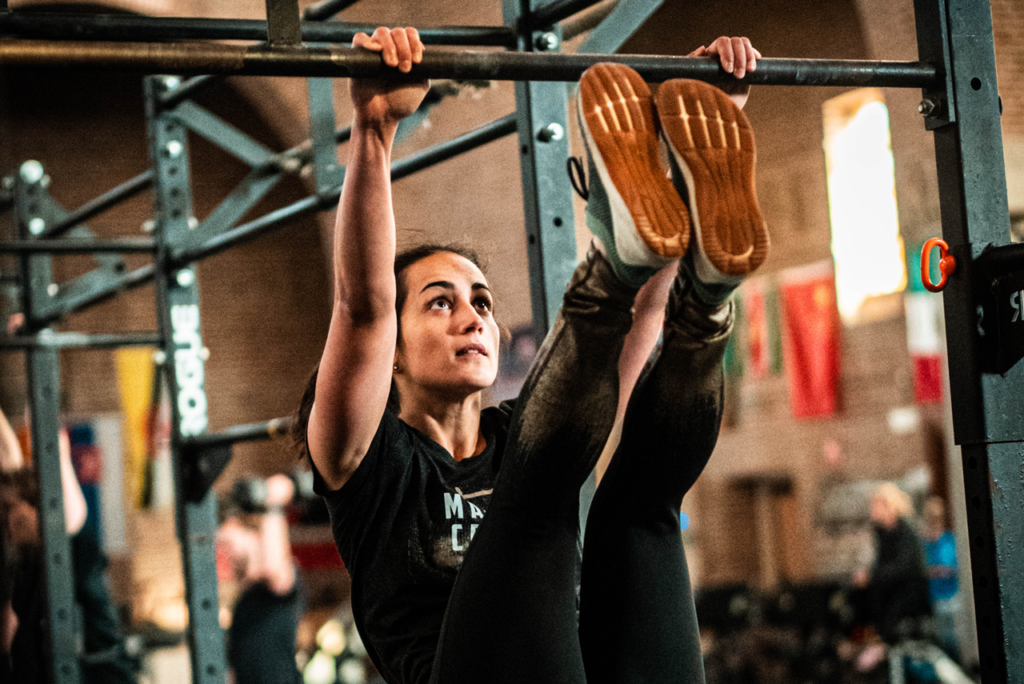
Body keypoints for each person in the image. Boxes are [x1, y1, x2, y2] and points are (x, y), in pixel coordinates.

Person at [297, 26, 767, 684]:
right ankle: (609, 267)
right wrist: (373, 130)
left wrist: (680, 127)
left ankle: (709, 300)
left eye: (483, 302)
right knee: (536, 503)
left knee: (640, 507)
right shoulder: (367, 465)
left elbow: (645, 322)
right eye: (440, 302)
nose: (474, 318)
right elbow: (363, 307)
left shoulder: (531, 429)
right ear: (392, 357)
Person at [0, 406, 136, 684]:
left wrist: (55, 450)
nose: (4, 519)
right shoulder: (38, 562)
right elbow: (9, 458)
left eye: (7, 509)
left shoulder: (66, 548)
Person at [217, 474, 304, 684]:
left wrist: (272, 503)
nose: (223, 552)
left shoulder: (276, 587)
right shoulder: (244, 604)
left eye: (226, 542)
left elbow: (274, 568)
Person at [853, 483, 932, 646]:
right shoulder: (881, 533)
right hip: (890, 593)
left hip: (908, 594)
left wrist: (872, 576)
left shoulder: (906, 532)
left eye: (876, 506)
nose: (873, 511)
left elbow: (903, 568)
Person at [922, 495, 960, 660]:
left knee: (951, 641)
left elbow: (953, 568)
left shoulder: (949, 540)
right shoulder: (925, 542)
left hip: (950, 597)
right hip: (932, 598)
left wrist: (938, 570)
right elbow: (921, 568)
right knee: (937, 642)